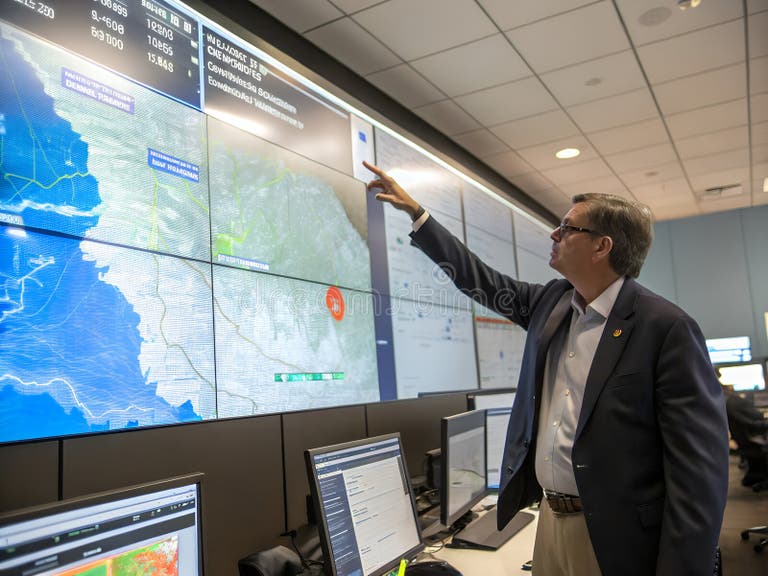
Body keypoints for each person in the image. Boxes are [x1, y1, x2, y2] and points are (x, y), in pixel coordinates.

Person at [363, 161, 729, 576]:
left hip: (619, 534)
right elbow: (477, 278)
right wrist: (417, 214)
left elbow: (699, 471)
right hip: (551, 523)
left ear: (602, 246)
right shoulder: (551, 303)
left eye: (567, 228)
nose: (554, 234)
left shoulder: (665, 327)